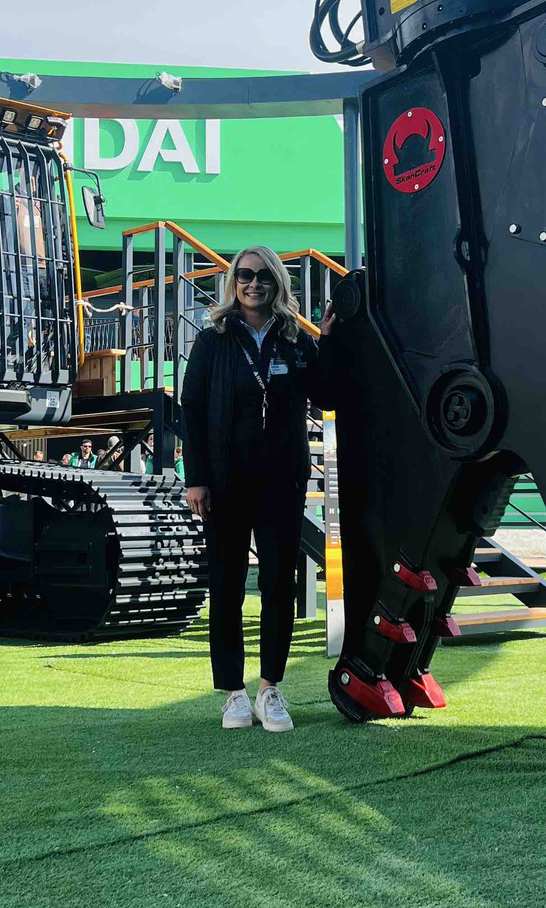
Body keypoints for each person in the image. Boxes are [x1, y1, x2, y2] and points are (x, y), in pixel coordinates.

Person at [181, 245, 335, 733]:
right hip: (224, 483)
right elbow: (192, 410)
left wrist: (327, 342)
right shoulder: (213, 340)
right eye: (245, 275)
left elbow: (327, 394)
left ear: (277, 283)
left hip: (281, 481)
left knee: (277, 584)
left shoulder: (294, 339)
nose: (253, 284)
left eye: (264, 276)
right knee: (226, 586)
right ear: (234, 282)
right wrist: (195, 478)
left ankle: (270, 689)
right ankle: (233, 693)